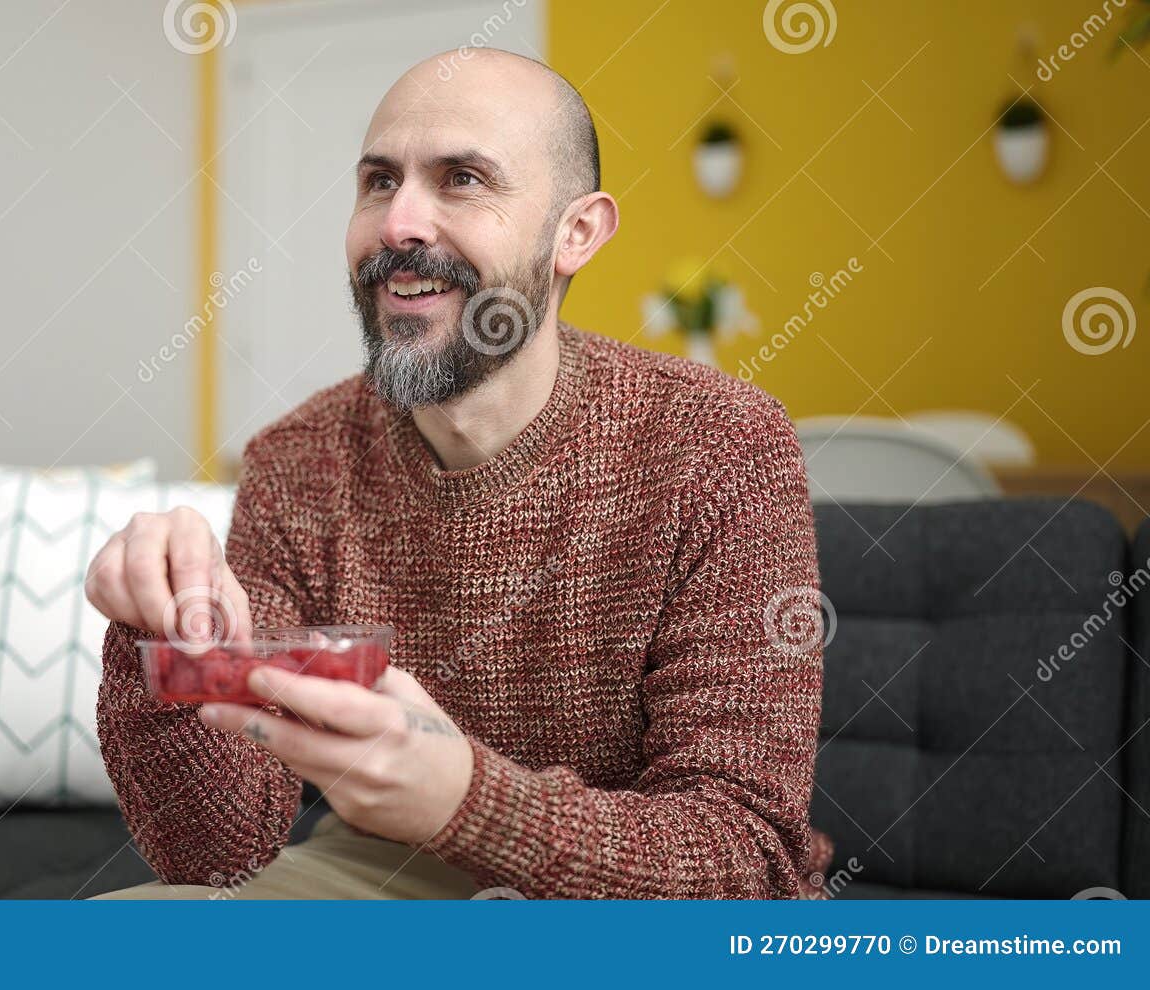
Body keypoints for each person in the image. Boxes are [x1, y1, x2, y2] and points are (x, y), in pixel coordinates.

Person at [86, 48, 826, 899]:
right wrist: (164, 639)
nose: (399, 224)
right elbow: (218, 855)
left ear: (576, 232)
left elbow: (746, 857)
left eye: (462, 179)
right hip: (377, 871)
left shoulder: (720, 446)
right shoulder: (298, 460)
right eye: (377, 181)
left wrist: (466, 800)